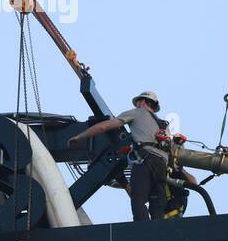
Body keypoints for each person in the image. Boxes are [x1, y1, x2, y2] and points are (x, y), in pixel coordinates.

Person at [68, 91, 174, 221]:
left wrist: (80, 137)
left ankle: (143, 232)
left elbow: (104, 127)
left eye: (138, 103)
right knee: (157, 204)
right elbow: (171, 151)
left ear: (142, 102)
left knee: (138, 200)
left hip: (144, 160)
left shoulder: (137, 112)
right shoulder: (164, 126)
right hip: (161, 166)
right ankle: (159, 233)